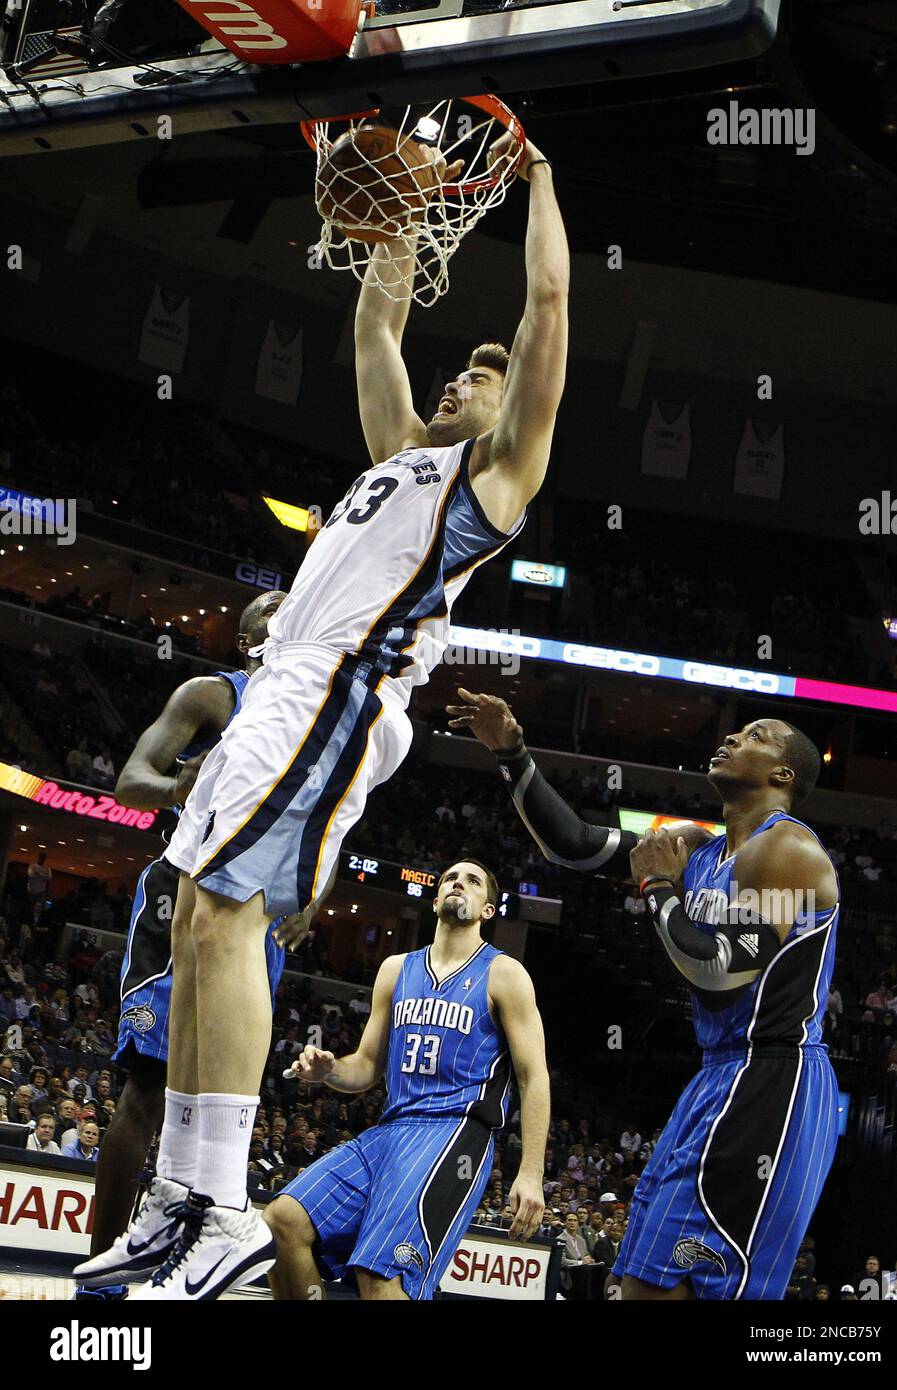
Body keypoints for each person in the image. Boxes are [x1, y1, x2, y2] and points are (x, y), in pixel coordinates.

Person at [96, 128, 568, 1302]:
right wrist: (402, 216)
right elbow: (372, 330)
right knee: (206, 914)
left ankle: (212, 1206)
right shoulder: (399, 455)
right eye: (459, 369)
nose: (464, 376)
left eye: (484, 374)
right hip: (294, 676)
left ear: (510, 413)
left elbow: (552, 295)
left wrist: (540, 178)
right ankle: (185, 1198)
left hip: (342, 685)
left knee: (233, 907)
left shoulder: (491, 482)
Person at [448, 692, 840, 1301]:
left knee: (702, 1288)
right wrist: (512, 753)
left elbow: (717, 971)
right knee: (640, 1284)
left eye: (755, 735)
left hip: (774, 1079)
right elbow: (574, 844)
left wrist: (657, 885)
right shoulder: (699, 846)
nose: (733, 737)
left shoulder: (786, 851)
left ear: (782, 774)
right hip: (716, 1074)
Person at [72, 594, 309, 1299]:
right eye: (272, 609)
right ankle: (103, 1273)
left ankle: (189, 1258)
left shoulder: (311, 713)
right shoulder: (211, 694)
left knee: (219, 1093)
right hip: (184, 890)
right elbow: (129, 782)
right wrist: (182, 782)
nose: (288, 612)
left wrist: (312, 893)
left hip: (257, 910)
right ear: (245, 640)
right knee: (147, 1088)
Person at [262, 860, 549, 1301]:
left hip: (455, 1135)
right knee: (282, 1222)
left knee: (381, 1277)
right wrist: (329, 1071)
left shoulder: (504, 974)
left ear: (488, 910)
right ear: (434, 901)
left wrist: (530, 1173)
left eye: (473, 882)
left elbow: (534, 1077)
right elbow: (366, 1065)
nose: (460, 884)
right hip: (391, 1129)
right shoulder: (396, 969)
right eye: (451, 878)